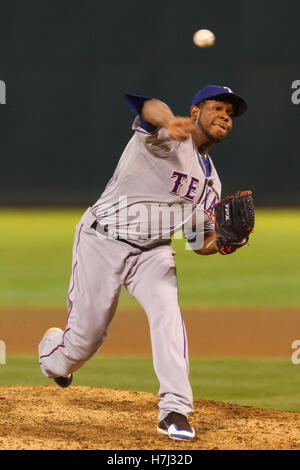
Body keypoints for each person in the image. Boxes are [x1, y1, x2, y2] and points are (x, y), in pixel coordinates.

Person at [39, 85, 247, 441]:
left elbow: (199, 242)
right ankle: (53, 353)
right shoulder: (166, 137)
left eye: (231, 112)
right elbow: (146, 105)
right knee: (84, 342)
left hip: (153, 252)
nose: (225, 115)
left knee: (168, 316)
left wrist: (227, 242)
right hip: (102, 240)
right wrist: (169, 120)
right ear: (195, 111)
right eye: (217, 107)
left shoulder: (212, 182)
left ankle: (175, 410)